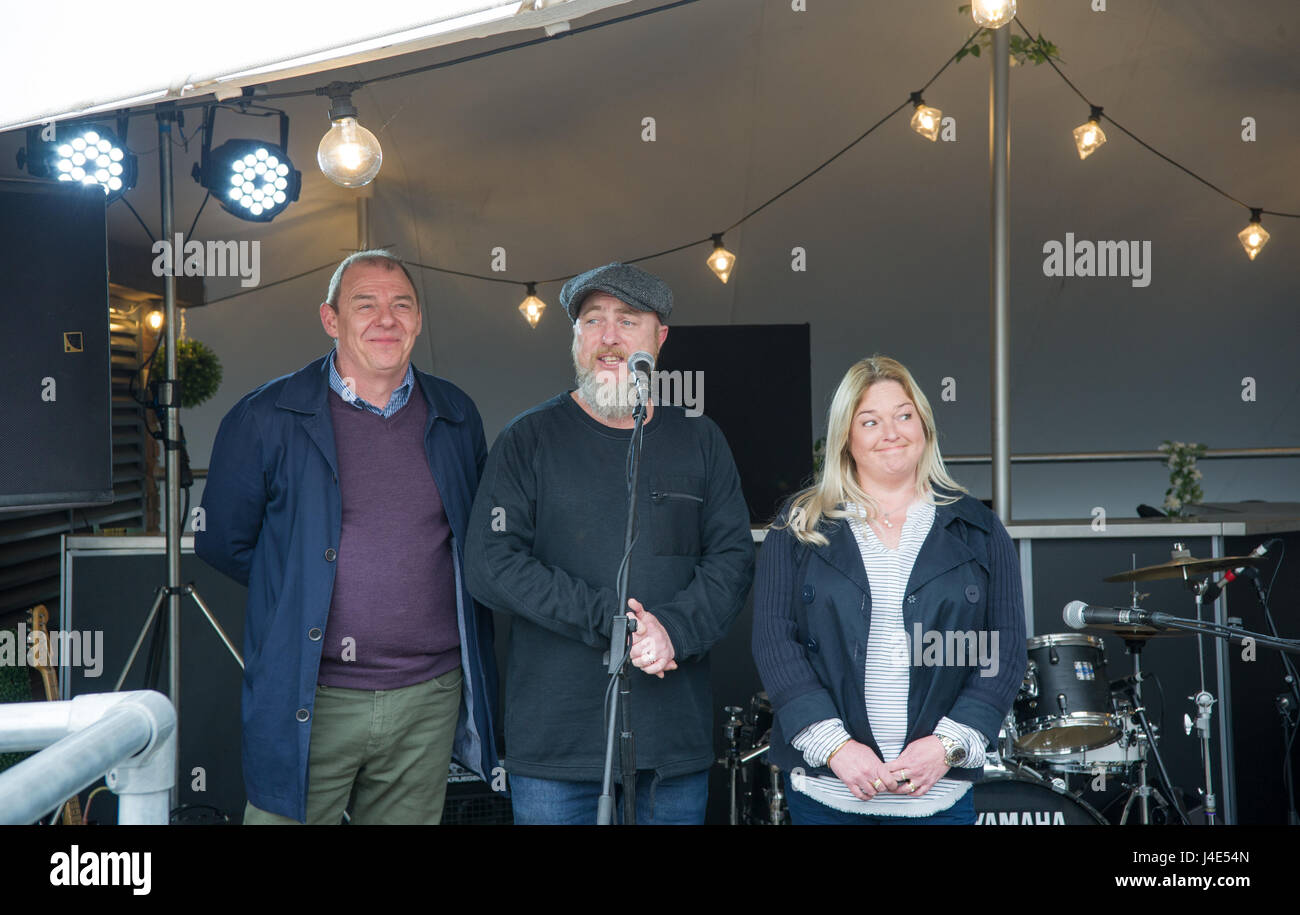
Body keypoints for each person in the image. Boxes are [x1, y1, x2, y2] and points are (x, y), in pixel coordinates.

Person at [195, 249, 498, 825]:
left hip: (427, 697)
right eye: (366, 304)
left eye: (401, 305)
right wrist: (301, 584)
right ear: (331, 319)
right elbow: (220, 541)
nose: (386, 319)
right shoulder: (266, 416)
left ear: (418, 320)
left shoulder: (456, 412)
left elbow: (473, 539)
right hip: (310, 694)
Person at [464, 261, 754, 825]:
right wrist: (611, 620)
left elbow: (732, 559)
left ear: (660, 337)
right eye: (592, 321)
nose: (610, 337)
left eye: (628, 320)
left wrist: (673, 630)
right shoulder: (528, 438)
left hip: (670, 742)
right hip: (556, 745)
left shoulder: (701, 439)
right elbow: (490, 562)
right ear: (575, 338)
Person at [752, 356, 1025, 824]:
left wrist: (946, 747)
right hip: (827, 797)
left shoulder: (978, 528)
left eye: (904, 415)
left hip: (937, 799)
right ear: (846, 437)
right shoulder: (798, 524)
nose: (891, 431)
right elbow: (775, 643)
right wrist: (835, 748)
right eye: (870, 420)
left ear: (924, 426)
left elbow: (1004, 651)